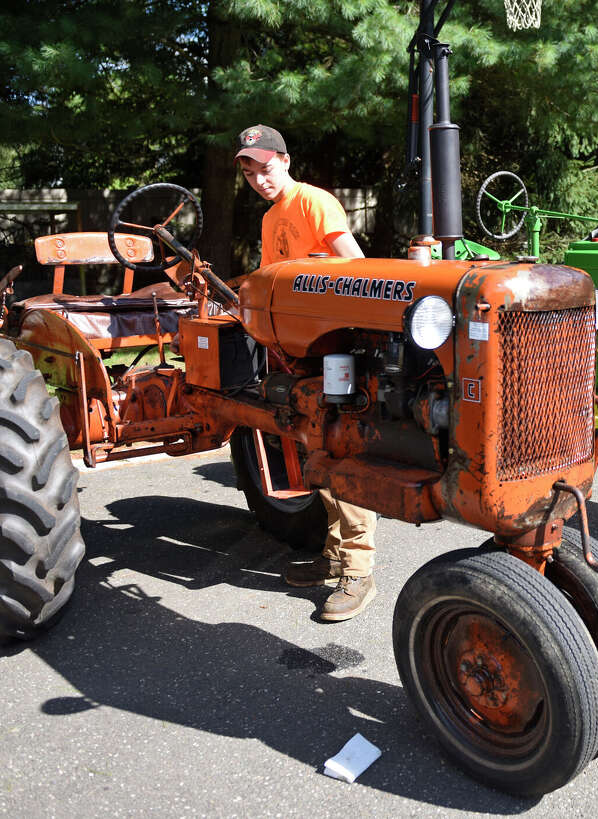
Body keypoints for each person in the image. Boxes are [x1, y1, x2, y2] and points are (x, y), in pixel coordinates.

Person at [234, 124, 377, 621]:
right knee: (315, 451)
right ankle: (333, 556)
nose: (259, 179)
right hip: (297, 352)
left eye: (266, 168)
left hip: (334, 348)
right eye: (250, 173)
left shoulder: (315, 203)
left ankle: (358, 572)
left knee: (344, 452)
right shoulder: (271, 219)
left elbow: (356, 270)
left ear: (286, 161)